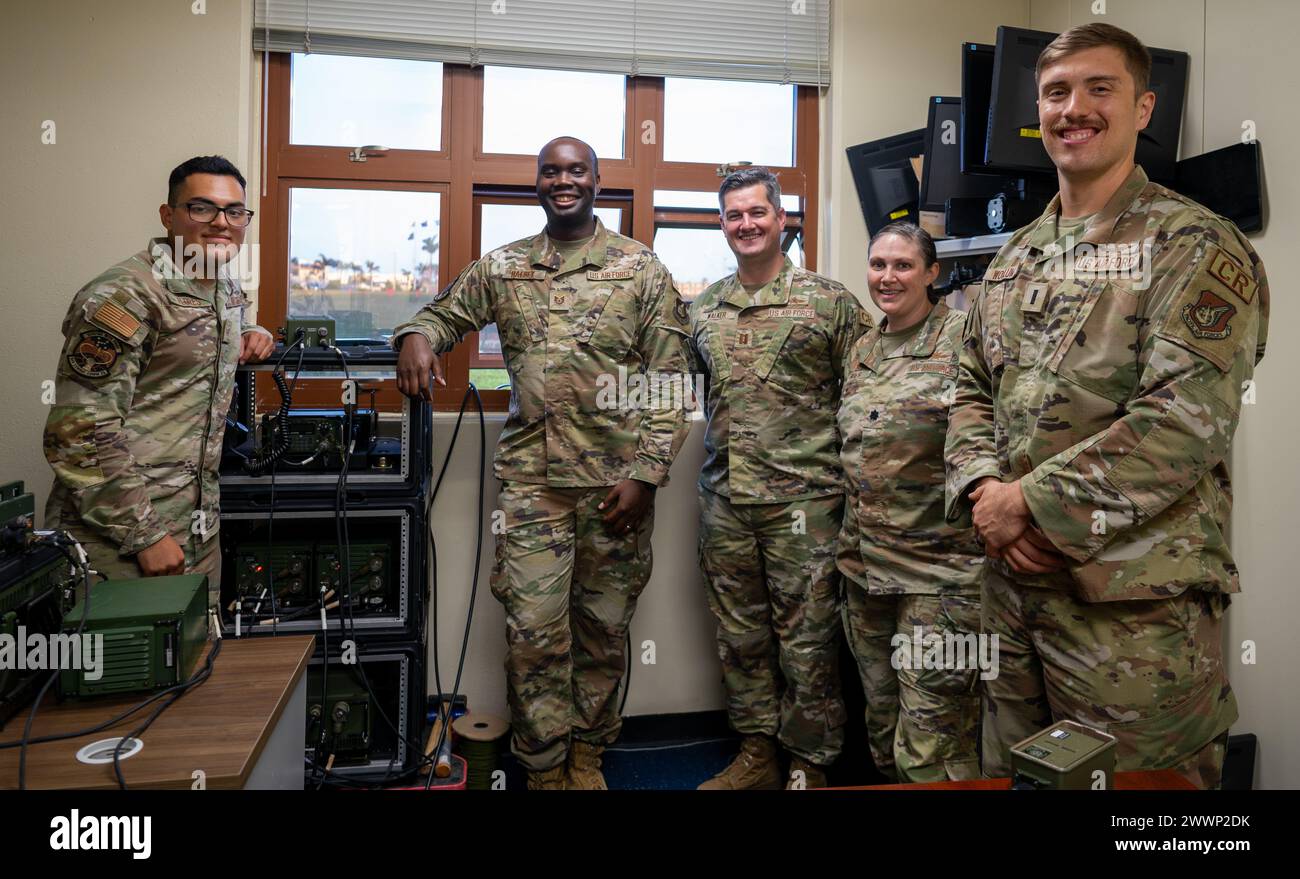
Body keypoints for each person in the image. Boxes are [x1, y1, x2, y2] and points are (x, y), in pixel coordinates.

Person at [944, 23, 1268, 788]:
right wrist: (984, 495)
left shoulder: (1195, 247)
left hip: (1130, 616)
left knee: (1142, 811)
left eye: (1100, 88)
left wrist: (1031, 505)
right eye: (1056, 92)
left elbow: (1182, 420)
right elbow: (963, 388)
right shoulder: (1014, 257)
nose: (1074, 109)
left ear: (1143, 107)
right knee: (1020, 780)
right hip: (1012, 595)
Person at [393, 137, 693, 790]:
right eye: (551, 171)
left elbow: (671, 380)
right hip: (534, 489)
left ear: (596, 180)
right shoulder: (504, 266)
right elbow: (444, 315)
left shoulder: (641, 269)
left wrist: (645, 473)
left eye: (576, 170)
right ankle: (543, 766)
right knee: (533, 636)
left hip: (618, 489)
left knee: (603, 636)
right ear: (537, 182)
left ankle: (587, 754)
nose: (564, 180)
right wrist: (415, 337)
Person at [690, 167, 869, 790]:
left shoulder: (829, 301)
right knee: (740, 637)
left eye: (757, 213)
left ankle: (810, 763)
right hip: (725, 501)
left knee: (809, 639)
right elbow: (692, 391)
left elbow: (870, 392)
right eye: (733, 215)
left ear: (782, 219)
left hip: (807, 504)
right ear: (722, 224)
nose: (746, 224)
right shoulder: (705, 308)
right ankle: (756, 752)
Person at [43, 155, 274, 606]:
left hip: (197, 529)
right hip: (117, 539)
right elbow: (76, 433)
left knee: (201, 666)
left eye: (234, 212)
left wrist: (253, 329)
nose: (221, 223)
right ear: (169, 216)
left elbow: (208, 335)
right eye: (202, 208)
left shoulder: (221, 287)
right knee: (123, 670)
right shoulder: (124, 296)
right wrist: (145, 535)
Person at [836, 222, 984, 783]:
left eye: (902, 266)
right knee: (882, 724)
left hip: (940, 575)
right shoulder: (862, 351)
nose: (887, 277)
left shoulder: (965, 342)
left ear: (931, 273)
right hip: (866, 570)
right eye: (878, 265)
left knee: (932, 741)